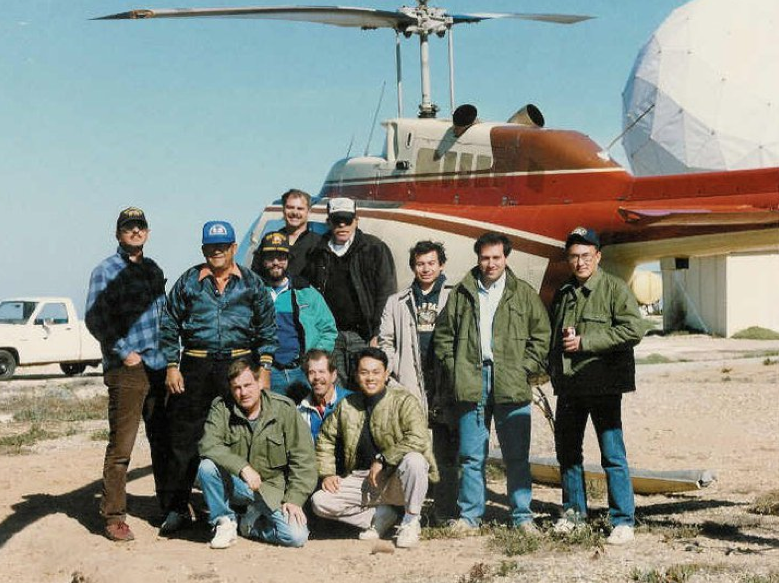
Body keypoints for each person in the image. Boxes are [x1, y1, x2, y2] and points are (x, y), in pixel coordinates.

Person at [158, 220, 278, 535]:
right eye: (211, 247)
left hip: (238, 367)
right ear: (203, 249)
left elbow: (267, 327)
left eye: (223, 246)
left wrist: (263, 370)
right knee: (184, 440)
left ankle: (241, 505)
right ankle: (177, 508)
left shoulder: (252, 283)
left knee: (240, 433)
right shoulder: (188, 281)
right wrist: (172, 364)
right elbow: (169, 321)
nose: (217, 252)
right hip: (195, 366)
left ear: (234, 248)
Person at [434, 232, 550, 534]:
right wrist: (455, 367)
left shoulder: (523, 293)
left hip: (511, 381)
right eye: (485, 258)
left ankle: (522, 516)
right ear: (478, 258)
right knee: (472, 456)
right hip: (471, 379)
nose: (490, 263)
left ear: (506, 258)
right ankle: (470, 517)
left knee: (516, 455)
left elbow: (541, 337)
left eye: (496, 257)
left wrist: (524, 368)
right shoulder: (461, 293)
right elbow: (444, 337)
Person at [548, 227, 644, 545]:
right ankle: (574, 515)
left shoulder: (615, 289)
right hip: (570, 387)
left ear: (598, 256)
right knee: (569, 454)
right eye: (574, 257)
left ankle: (622, 520)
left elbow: (633, 329)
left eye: (586, 256)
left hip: (603, 385)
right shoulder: (563, 294)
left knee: (612, 454)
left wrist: (587, 342)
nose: (580, 262)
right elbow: (553, 342)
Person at [85, 206, 168, 542]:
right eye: (129, 227)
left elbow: (165, 315)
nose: (135, 231)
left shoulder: (153, 269)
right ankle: (114, 515)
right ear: (118, 233)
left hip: (159, 366)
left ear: (147, 232)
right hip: (127, 370)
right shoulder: (105, 271)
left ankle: (170, 506)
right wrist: (125, 353)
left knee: (163, 442)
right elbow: (95, 318)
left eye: (140, 226)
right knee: (122, 448)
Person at [310, 347, 437, 548]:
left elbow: (419, 438)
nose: (370, 378)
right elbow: (326, 438)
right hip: (363, 480)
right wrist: (327, 473)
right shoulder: (347, 405)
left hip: (396, 477)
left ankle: (411, 521)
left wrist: (383, 459)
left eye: (376, 372)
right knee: (320, 501)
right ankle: (381, 516)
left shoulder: (404, 401)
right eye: (364, 372)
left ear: (386, 374)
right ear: (356, 375)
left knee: (415, 461)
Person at [197, 358, 317, 549]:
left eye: (248, 385)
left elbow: (304, 459)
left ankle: (248, 525)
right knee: (207, 467)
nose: (243, 392)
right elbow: (208, 444)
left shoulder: (283, 409)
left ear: (260, 382)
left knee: (296, 537)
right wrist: (242, 467)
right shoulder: (221, 407)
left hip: (271, 489)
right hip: (236, 482)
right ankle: (224, 521)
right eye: (236, 387)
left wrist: (294, 498)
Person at [378, 240, 458, 521]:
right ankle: (407, 508)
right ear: (413, 267)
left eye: (431, 263)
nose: (426, 269)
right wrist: (395, 371)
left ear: (441, 265)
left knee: (447, 449)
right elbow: (385, 340)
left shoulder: (455, 296)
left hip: (445, 382)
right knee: (412, 445)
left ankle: (446, 509)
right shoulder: (397, 301)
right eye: (420, 264)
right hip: (411, 381)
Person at [305, 197, 397, 388]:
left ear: (356, 220)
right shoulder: (316, 252)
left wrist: (378, 333)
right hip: (330, 336)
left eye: (347, 220)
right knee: (333, 389)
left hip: (363, 336)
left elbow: (386, 294)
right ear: (328, 222)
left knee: (365, 387)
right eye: (337, 220)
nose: (342, 225)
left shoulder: (374, 248)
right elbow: (309, 296)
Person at [253, 231, 337, 397]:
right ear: (262, 260)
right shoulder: (254, 293)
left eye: (281, 257)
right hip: (268, 373)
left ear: (288, 259)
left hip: (301, 373)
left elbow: (329, 330)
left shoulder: (306, 291)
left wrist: (312, 360)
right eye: (270, 257)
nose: (276, 262)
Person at [252, 188, 321, 278]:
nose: (295, 212)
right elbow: (255, 276)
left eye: (300, 209)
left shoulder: (318, 243)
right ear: (283, 209)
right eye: (290, 207)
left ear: (308, 211)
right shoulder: (269, 241)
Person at [296, 349, 352, 442]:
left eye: (321, 371)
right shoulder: (302, 409)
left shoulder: (350, 402)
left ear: (333, 375)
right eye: (311, 372)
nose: (317, 377)